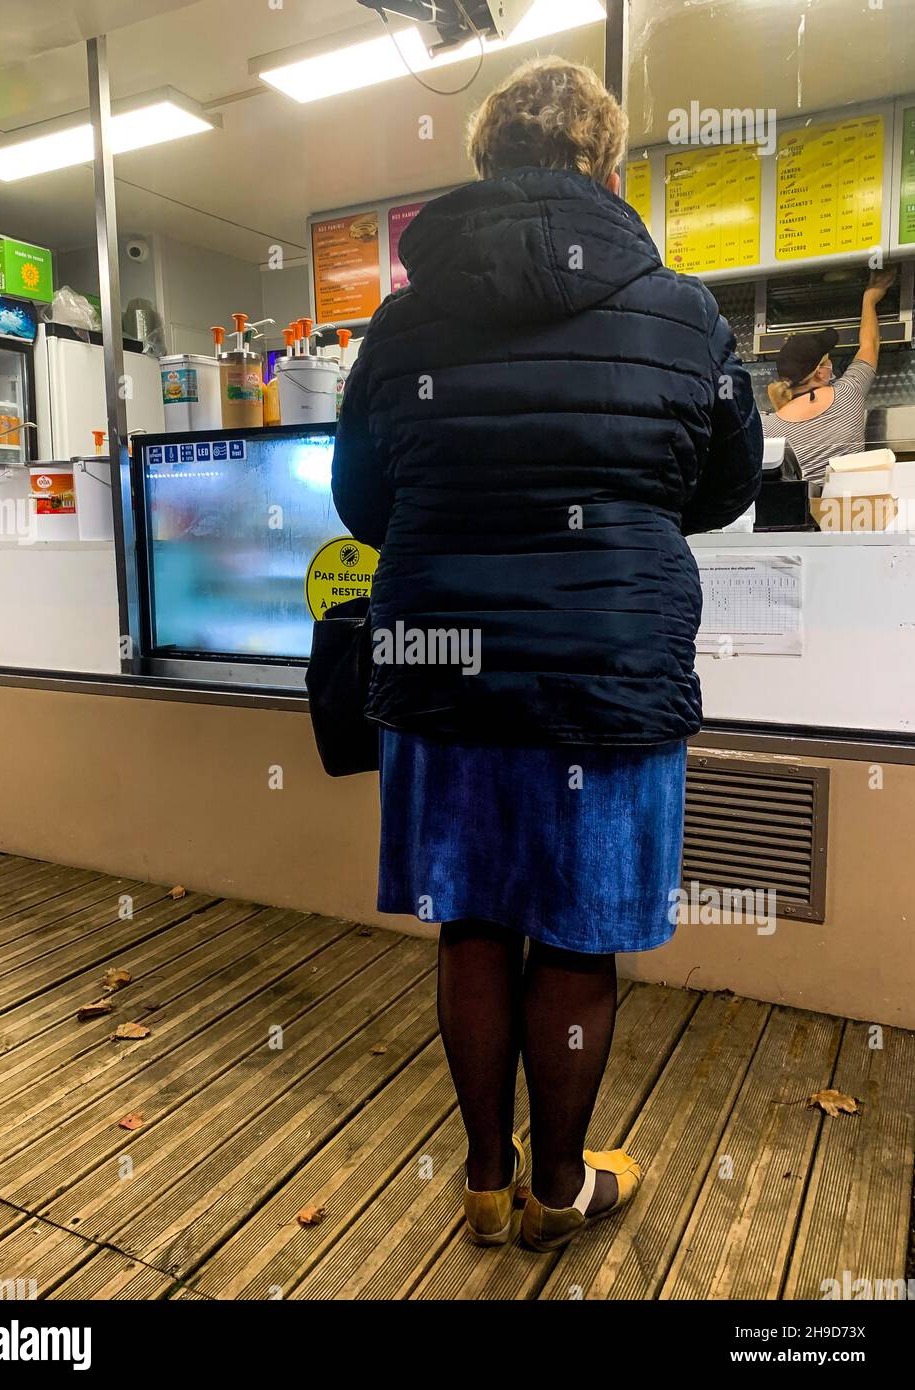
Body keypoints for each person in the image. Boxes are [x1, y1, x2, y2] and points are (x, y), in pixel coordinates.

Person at [331, 56, 762, 1251]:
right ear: (607, 166)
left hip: (440, 666)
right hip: (603, 672)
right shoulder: (684, 311)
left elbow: (362, 499)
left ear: (483, 166)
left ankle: (482, 1177)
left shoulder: (404, 320)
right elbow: (724, 490)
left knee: (471, 921)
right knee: (574, 937)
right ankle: (559, 1186)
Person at [762, 269, 896, 479]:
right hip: (848, 510)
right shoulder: (848, 393)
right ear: (821, 373)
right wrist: (869, 300)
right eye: (827, 358)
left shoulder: (767, 427)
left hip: (798, 510)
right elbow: (870, 344)